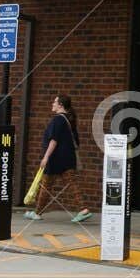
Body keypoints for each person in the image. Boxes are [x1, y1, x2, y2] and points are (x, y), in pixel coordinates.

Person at [26, 94, 91, 223]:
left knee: (46, 185)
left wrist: (46, 157)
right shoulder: (70, 119)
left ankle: (37, 212)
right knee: (71, 183)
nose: (52, 104)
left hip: (55, 158)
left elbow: (54, 140)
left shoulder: (58, 120)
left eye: (55, 102)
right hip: (68, 157)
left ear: (61, 105)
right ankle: (83, 209)